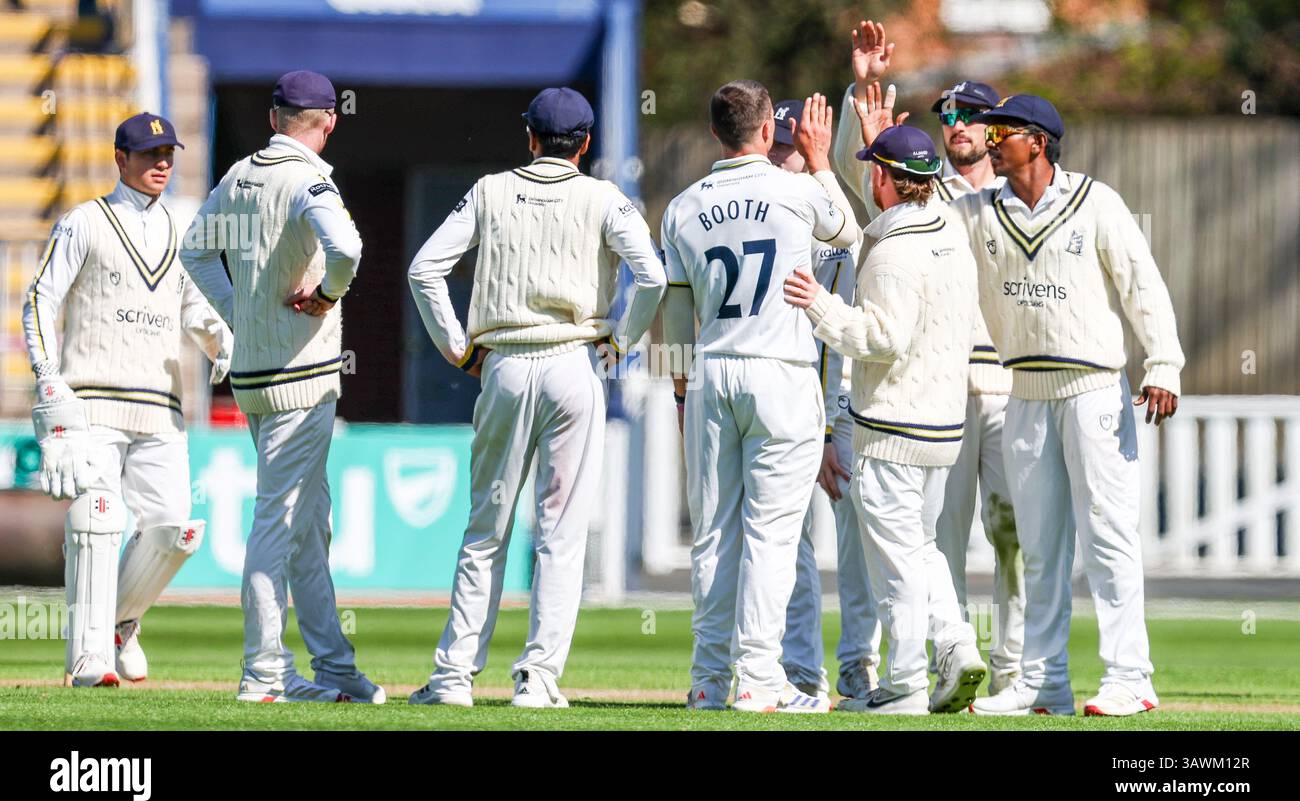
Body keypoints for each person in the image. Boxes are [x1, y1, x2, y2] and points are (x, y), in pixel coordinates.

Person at [405, 87, 666, 709]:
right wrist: (619, 343)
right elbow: (652, 275)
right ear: (585, 143)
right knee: (560, 532)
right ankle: (538, 679)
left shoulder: (491, 189)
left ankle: (451, 679)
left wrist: (457, 348)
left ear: (529, 136)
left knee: (485, 529)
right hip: (575, 366)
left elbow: (424, 268)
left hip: (503, 366)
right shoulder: (605, 197)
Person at [944, 95, 1185, 716]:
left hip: (1095, 391)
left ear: (1038, 141)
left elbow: (1143, 284)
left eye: (1002, 132)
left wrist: (1163, 365)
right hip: (1023, 392)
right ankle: (1043, 682)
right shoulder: (975, 211)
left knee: (1107, 536)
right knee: (1040, 545)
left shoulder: (1095, 202)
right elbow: (900, 204)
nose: (989, 141)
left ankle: (1130, 677)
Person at [660, 82, 860, 713]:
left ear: (715, 132)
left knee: (714, 533)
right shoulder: (798, 190)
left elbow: (675, 309)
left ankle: (708, 680)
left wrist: (681, 390)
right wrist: (823, 159)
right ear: (769, 130)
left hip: (713, 370)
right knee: (772, 535)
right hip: (782, 370)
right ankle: (759, 681)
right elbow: (849, 231)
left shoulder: (683, 206)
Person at [181, 70, 379, 704]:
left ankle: (335, 665)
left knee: (307, 523)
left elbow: (195, 251)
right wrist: (325, 295)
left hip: (253, 376)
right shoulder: (309, 178)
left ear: (273, 118)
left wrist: (239, 313)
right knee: (279, 520)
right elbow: (346, 248)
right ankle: (264, 672)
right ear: (328, 122)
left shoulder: (238, 174)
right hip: (301, 377)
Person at [22, 112, 231, 687]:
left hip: (161, 406)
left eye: (168, 153)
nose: (161, 163)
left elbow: (194, 308)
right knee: (98, 518)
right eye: (148, 154)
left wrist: (220, 338)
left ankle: (118, 624)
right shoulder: (84, 222)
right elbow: (40, 302)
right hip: (90, 402)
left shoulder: (182, 232)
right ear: (121, 159)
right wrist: (48, 379)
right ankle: (88, 660)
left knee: (175, 532)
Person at [784, 124, 987, 715]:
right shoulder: (950, 230)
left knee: (894, 560)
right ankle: (954, 642)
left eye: (872, 166)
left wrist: (819, 305)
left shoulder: (893, 253)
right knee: (921, 547)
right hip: (942, 426)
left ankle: (902, 685)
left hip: (895, 428)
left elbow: (880, 338)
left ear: (882, 178)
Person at [768, 98, 877, 703]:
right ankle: (798, 670)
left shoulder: (838, 227)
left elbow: (841, 340)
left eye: (795, 146)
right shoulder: (760, 216)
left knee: (859, 548)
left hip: (839, 408)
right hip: (780, 404)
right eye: (778, 145)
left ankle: (858, 667)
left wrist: (830, 433)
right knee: (786, 546)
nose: (784, 156)